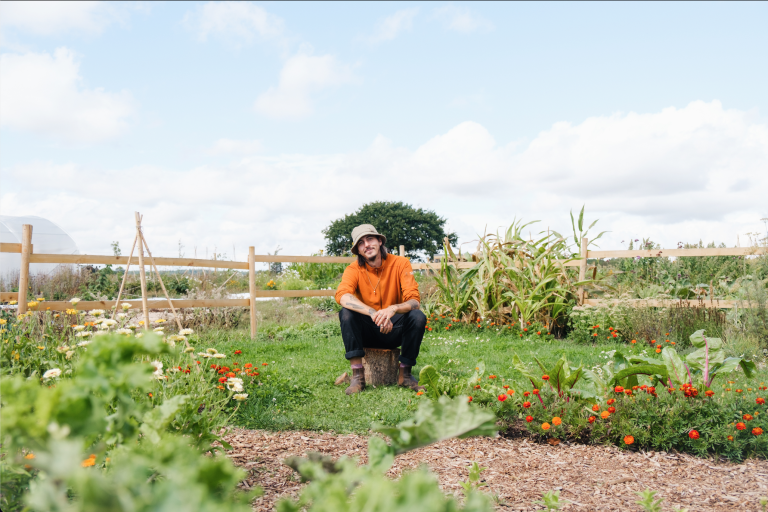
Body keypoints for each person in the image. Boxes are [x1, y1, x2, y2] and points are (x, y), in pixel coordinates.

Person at [335, 224, 427, 395]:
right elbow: (342, 295)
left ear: (379, 241)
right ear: (358, 250)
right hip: (367, 332)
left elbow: (414, 300)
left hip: (394, 330)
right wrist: (373, 312)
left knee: (417, 316)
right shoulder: (353, 269)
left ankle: (405, 374)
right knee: (346, 312)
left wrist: (392, 309)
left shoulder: (400, 263)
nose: (366, 245)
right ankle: (358, 377)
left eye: (370, 239)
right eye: (361, 243)